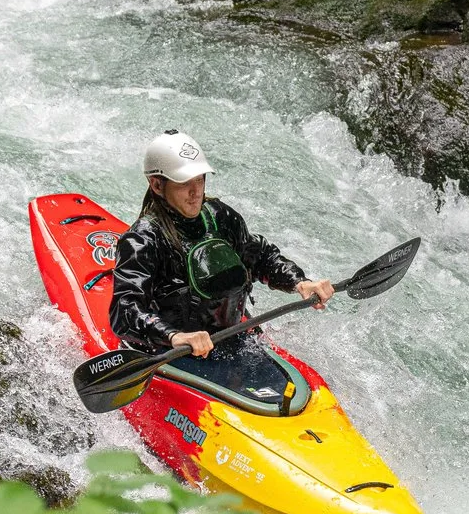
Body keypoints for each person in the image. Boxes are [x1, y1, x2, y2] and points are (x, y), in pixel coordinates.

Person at [107, 129, 335, 407]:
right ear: (156, 185)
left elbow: (260, 255)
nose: (195, 193)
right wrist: (175, 336)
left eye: (200, 180)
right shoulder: (143, 240)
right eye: (183, 183)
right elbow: (125, 310)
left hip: (230, 340)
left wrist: (300, 282)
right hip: (172, 354)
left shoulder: (221, 217)